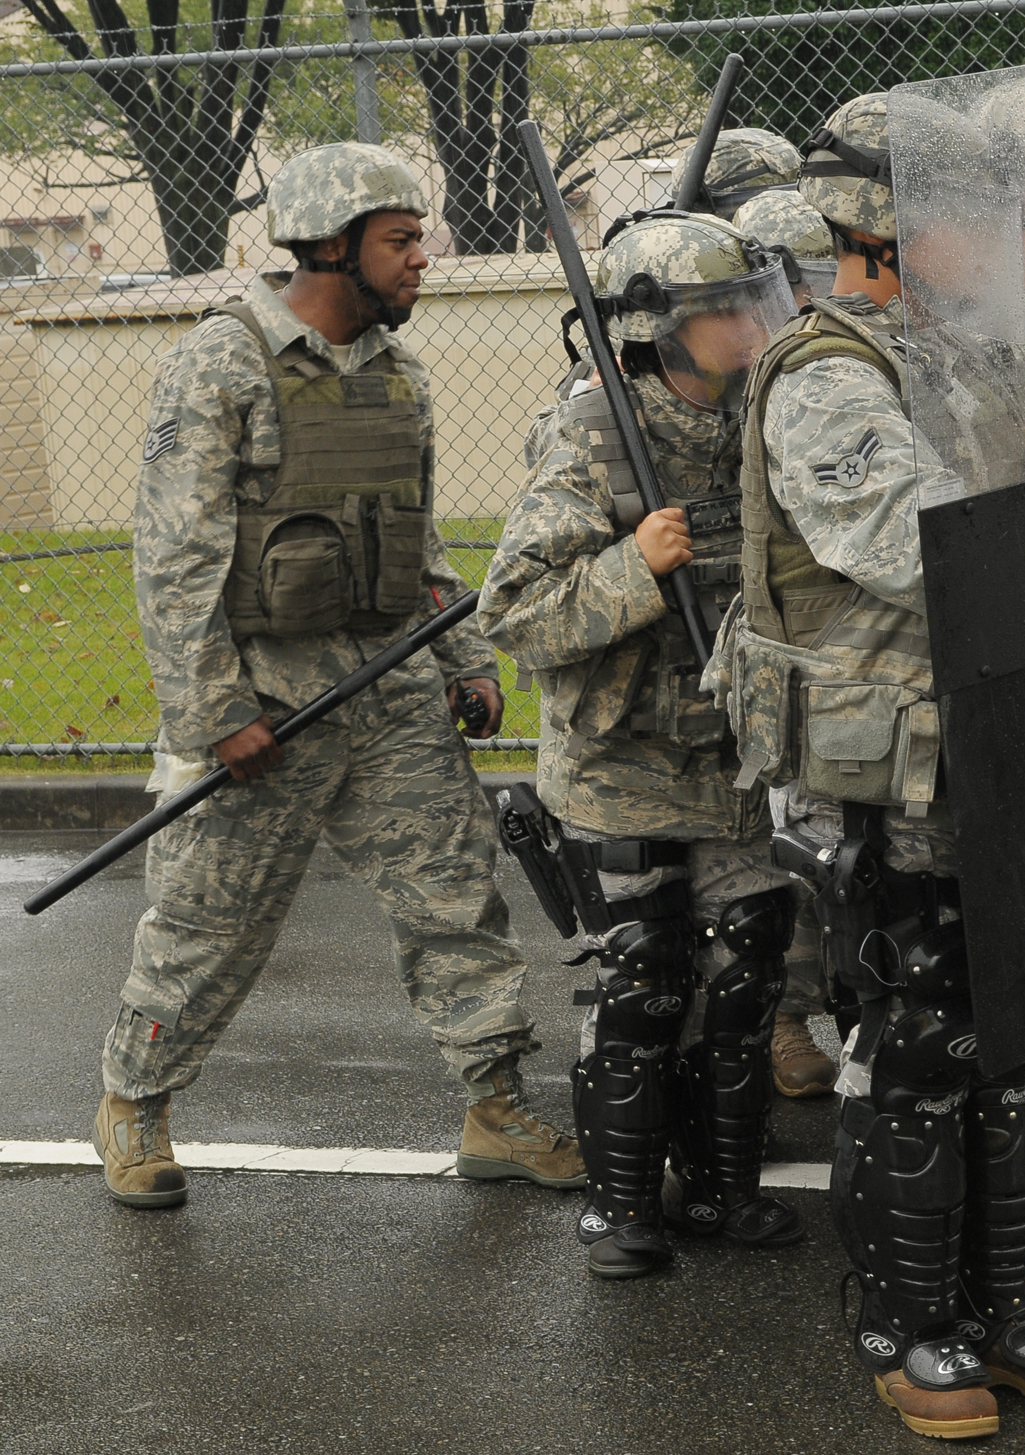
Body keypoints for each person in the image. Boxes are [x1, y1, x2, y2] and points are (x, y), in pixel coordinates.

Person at [719, 89, 1025, 1438]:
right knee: (919, 1040)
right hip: (886, 772)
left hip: (1002, 748)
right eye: (971, 213)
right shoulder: (828, 371)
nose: (1002, 237)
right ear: (888, 228)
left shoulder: (970, 351)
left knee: (1015, 1032)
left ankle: (1003, 1302)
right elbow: (916, 543)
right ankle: (908, 1322)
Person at [97, 142, 580, 1211]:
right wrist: (216, 712)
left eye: (420, 240)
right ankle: (135, 1103)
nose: (425, 261)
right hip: (267, 695)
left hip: (388, 691)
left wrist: (461, 654)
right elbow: (175, 560)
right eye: (402, 242)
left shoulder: (398, 375)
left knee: (457, 898)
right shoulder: (225, 362)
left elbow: (416, 544)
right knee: (205, 923)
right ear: (330, 245)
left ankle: (495, 1109)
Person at [479, 211, 808, 1279]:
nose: (750, 323)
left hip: (732, 753)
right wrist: (633, 564)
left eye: (752, 300)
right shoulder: (591, 436)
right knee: (648, 978)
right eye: (723, 309)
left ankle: (724, 1190)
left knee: (751, 960)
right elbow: (517, 612)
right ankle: (626, 1209)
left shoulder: (764, 411)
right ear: (660, 332)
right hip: (623, 761)